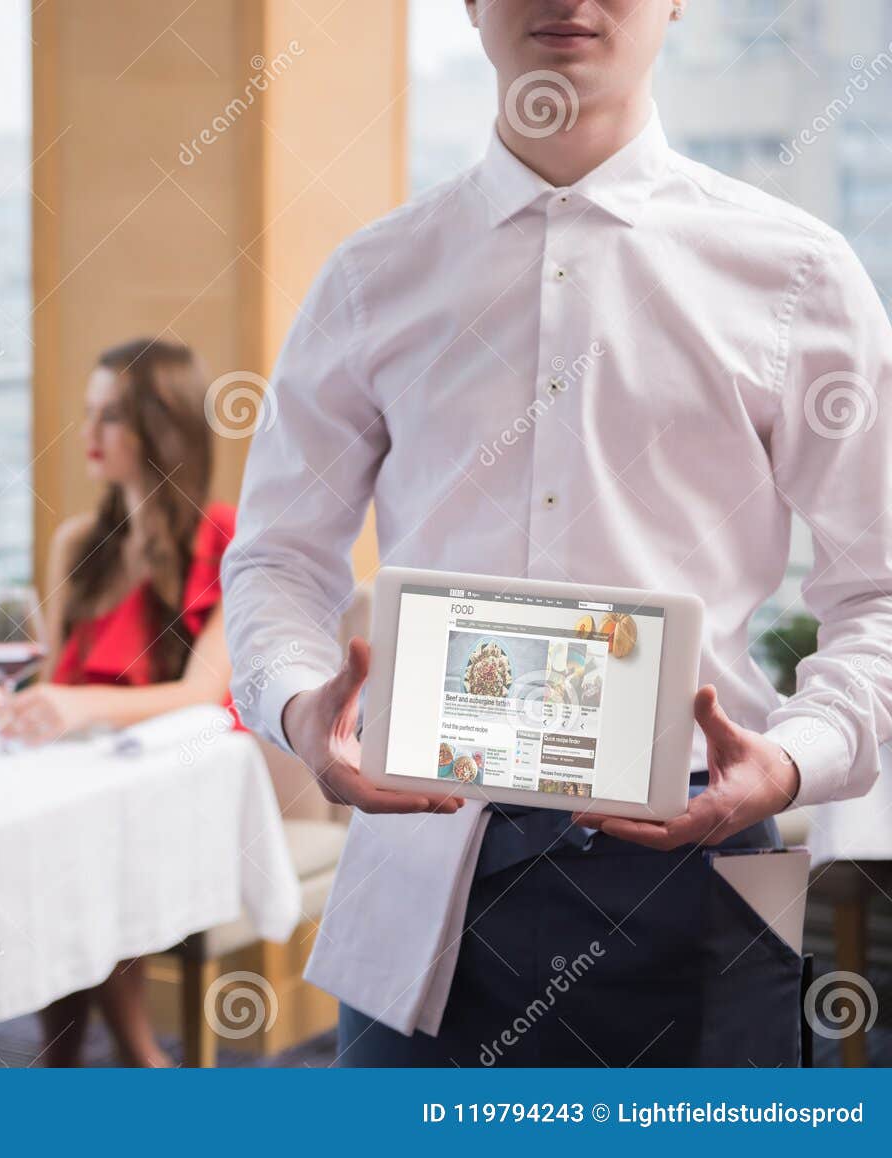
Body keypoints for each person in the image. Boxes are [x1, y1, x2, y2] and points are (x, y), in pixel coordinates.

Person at [222, 0, 891, 1066]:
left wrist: (796, 759)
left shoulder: (801, 278)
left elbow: (879, 594)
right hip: (424, 878)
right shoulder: (370, 278)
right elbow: (275, 559)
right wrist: (303, 712)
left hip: (713, 873)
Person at [0, 337, 237, 1066]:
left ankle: (108, 1054)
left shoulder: (225, 538)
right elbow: (51, 681)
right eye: (87, 414)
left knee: (87, 840)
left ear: (161, 431)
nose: (88, 436)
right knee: (54, 830)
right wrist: (19, 703)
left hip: (185, 779)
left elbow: (205, 691)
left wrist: (80, 707)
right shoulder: (78, 545)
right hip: (80, 779)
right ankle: (108, 1059)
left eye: (111, 417)